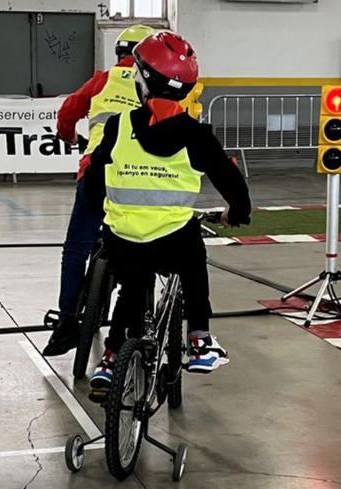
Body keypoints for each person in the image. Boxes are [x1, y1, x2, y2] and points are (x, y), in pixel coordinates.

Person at [83, 31, 251, 402]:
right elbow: (230, 181)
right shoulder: (196, 135)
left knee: (130, 287)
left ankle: (111, 359)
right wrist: (237, 212)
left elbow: (94, 179)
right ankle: (200, 338)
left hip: (123, 237)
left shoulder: (119, 126)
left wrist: (105, 215)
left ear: (142, 81)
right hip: (173, 239)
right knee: (194, 261)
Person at [42, 25, 154, 356]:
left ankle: (66, 321)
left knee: (76, 247)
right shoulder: (152, 87)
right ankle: (141, 322)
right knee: (141, 247)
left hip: (94, 172)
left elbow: (68, 112)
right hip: (134, 177)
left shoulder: (101, 80)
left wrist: (68, 137)